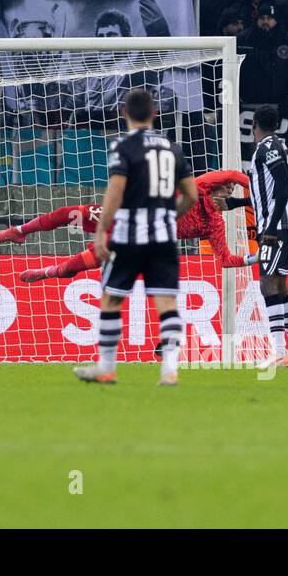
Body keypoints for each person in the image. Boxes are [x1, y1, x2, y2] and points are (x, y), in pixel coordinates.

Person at [75, 87, 198, 387]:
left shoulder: (123, 146)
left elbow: (115, 192)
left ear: (124, 113)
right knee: (166, 302)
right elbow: (192, 196)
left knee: (111, 299)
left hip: (130, 235)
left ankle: (106, 367)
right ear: (154, 113)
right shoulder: (173, 147)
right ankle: (169, 371)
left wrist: (102, 230)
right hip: (164, 236)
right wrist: (170, 215)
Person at [0, 170, 256, 283]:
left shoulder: (214, 225)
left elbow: (226, 260)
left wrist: (254, 257)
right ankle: (19, 232)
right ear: (217, 190)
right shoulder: (198, 188)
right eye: (227, 190)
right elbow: (232, 174)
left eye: (231, 191)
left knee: (77, 267)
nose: (228, 192)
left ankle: (44, 273)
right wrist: (255, 187)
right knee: (67, 213)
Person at [225, 105, 288, 368]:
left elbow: (285, 188)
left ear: (253, 125)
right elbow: (269, 193)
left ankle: (277, 351)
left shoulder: (267, 147)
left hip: (276, 229)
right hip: (281, 226)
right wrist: (236, 204)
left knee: (267, 285)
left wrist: (270, 229)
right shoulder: (274, 145)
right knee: (280, 285)